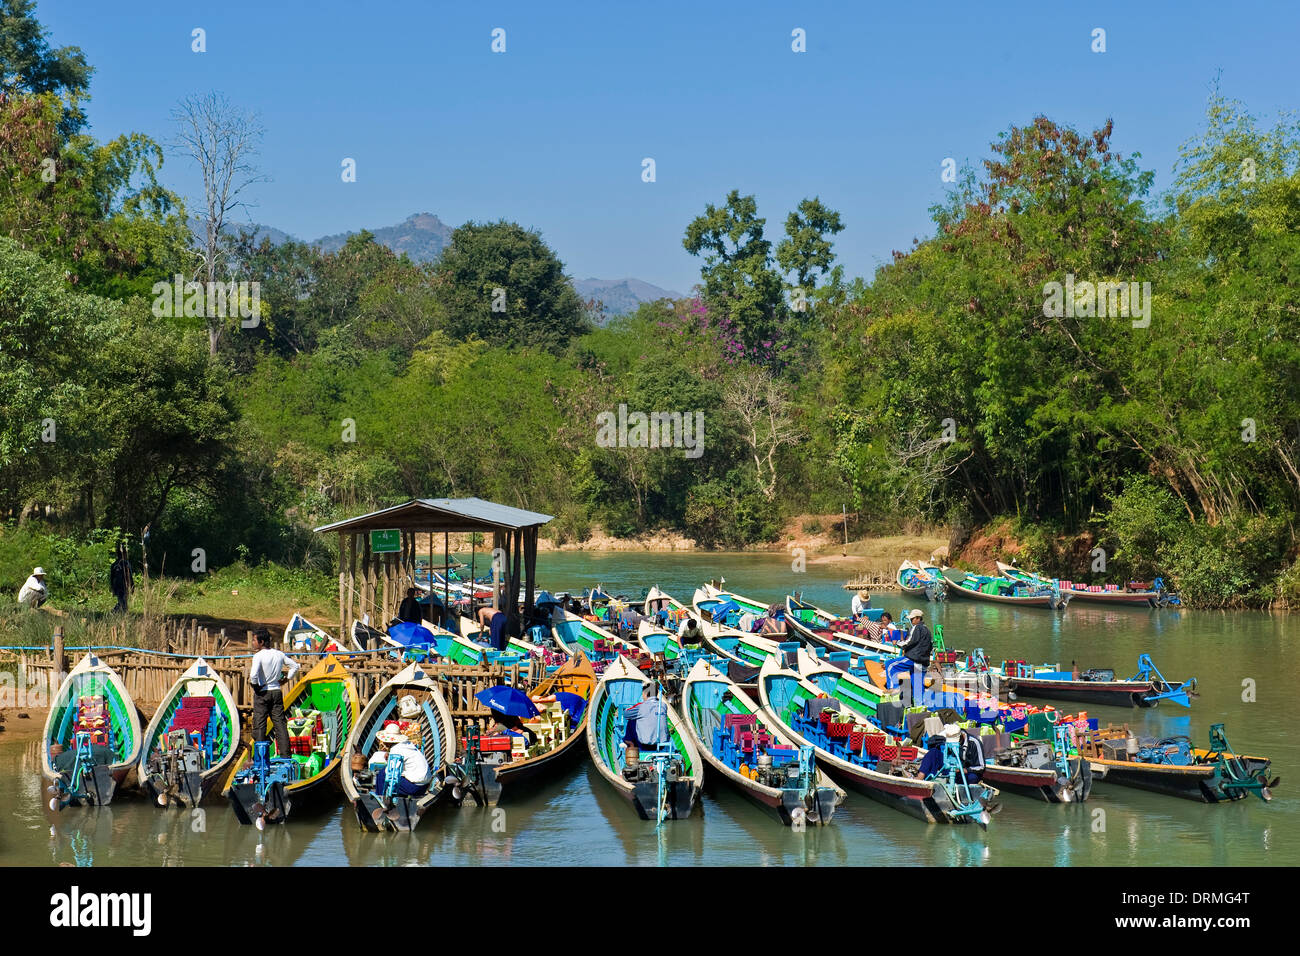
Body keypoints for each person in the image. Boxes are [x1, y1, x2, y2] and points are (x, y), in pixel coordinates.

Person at [248, 628, 300, 759]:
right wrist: (287, 679)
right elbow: (295, 666)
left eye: (254, 640)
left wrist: (256, 687)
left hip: (263, 693)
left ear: (261, 642)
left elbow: (253, 675)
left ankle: (260, 758)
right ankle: (286, 756)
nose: (253, 643)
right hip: (276, 691)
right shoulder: (279, 654)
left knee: (260, 725)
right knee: (280, 724)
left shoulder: (258, 656)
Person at [369, 729, 431, 797]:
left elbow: (390, 771)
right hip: (424, 786)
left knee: (382, 774)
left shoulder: (396, 749)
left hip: (415, 787)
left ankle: (380, 798)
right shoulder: (407, 745)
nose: (384, 742)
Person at [622, 683, 669, 749]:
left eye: (642, 694)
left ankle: (630, 743)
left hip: (646, 743)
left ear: (646, 694)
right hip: (662, 743)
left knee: (632, 721)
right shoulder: (664, 705)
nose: (642, 696)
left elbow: (626, 714)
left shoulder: (641, 706)